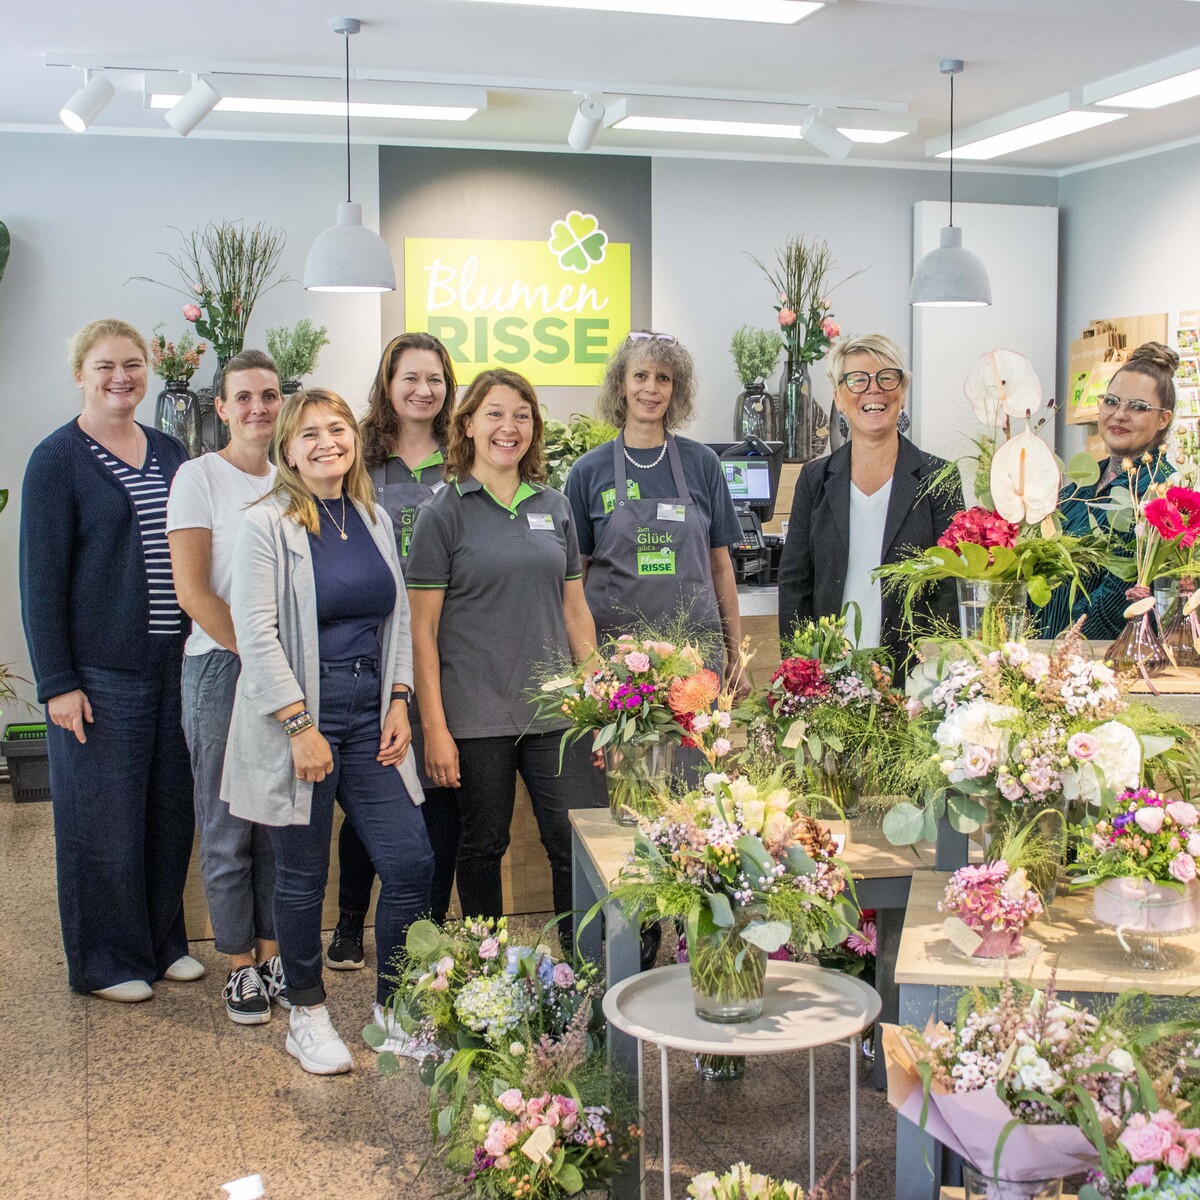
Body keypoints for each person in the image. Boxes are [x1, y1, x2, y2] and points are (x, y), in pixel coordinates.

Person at [221, 388, 433, 1076]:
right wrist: (298, 725)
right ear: (286, 448)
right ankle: (306, 1015)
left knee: (410, 863)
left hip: (371, 713)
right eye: (307, 433)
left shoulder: (369, 515)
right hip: (301, 720)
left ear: (353, 438)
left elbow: (396, 619)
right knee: (303, 874)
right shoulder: (266, 523)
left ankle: (394, 1010)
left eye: (335, 429)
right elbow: (255, 634)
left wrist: (399, 699)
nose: (324, 442)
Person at [19, 318, 200, 1002]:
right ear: (80, 375)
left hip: (174, 668)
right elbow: (40, 583)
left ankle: (163, 943)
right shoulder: (56, 459)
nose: (121, 377)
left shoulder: (170, 450)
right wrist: (58, 683)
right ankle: (106, 962)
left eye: (131, 364)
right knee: (103, 821)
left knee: (167, 810)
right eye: (105, 366)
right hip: (100, 673)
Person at [406, 368, 603, 946]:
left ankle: (583, 966)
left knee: (573, 843)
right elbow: (423, 632)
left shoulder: (555, 505)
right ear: (467, 424)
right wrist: (434, 729)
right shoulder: (443, 513)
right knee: (483, 845)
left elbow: (575, 613)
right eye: (494, 413)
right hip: (475, 716)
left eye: (521, 415)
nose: (508, 427)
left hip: (557, 714)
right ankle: (485, 972)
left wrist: (599, 706)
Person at [325, 333, 459, 971]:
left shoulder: (460, 462)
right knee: (375, 786)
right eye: (410, 378)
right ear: (387, 385)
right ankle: (351, 922)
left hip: (447, 644)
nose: (422, 390)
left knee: (435, 794)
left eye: (434, 379)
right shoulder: (361, 465)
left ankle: (423, 931)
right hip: (372, 647)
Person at [168, 349, 288, 1025]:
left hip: (277, 667)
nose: (256, 409)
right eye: (243, 397)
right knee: (225, 826)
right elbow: (194, 591)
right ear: (220, 408)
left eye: (268, 396)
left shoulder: (289, 480)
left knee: (274, 818)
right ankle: (239, 966)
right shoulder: (198, 478)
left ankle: (271, 951)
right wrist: (260, 659)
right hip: (218, 666)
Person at [564, 331, 743, 687]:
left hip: (695, 657)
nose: (652, 388)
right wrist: (582, 663)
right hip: (615, 660)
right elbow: (574, 577)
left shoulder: (703, 463)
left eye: (663, 378)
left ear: (676, 389)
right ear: (621, 385)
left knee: (698, 746)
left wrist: (736, 653)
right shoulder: (587, 471)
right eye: (640, 376)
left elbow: (720, 567)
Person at [777, 333, 961, 676]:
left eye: (886, 377)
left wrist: (939, 672)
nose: (873, 390)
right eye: (857, 380)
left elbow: (949, 585)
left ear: (902, 392)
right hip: (829, 668)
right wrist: (798, 667)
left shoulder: (940, 477)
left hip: (912, 670)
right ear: (839, 397)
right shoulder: (815, 478)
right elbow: (794, 581)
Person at [1036, 341, 1178, 642]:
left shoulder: (1156, 493)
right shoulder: (1083, 482)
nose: (1119, 414)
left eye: (1138, 407)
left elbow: (1119, 594)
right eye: (1111, 401)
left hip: (1098, 662)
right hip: (1046, 653)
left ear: (1163, 418)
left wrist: (1067, 647)